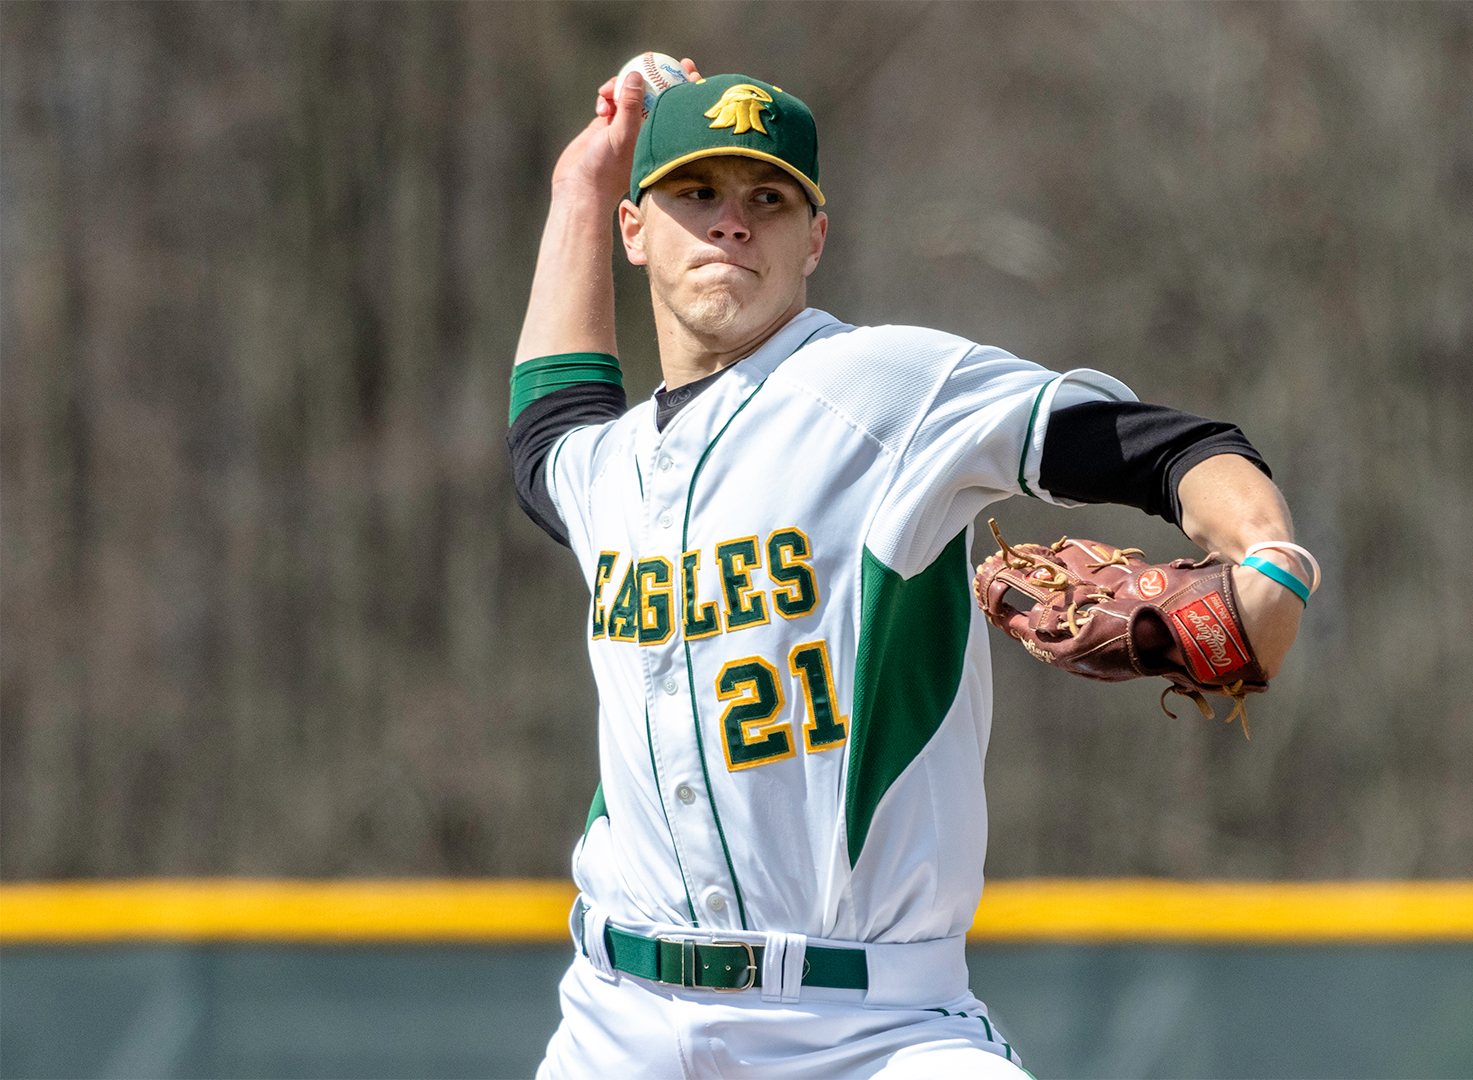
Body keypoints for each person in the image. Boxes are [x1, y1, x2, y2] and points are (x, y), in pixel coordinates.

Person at [507, 58, 1308, 1079]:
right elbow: (546, 435)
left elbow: (1162, 446)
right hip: (617, 1021)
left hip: (871, 1032)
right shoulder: (612, 469)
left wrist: (1269, 558)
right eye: (695, 193)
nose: (731, 223)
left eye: (768, 197)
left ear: (816, 237)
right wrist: (580, 183)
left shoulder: (884, 387)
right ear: (636, 230)